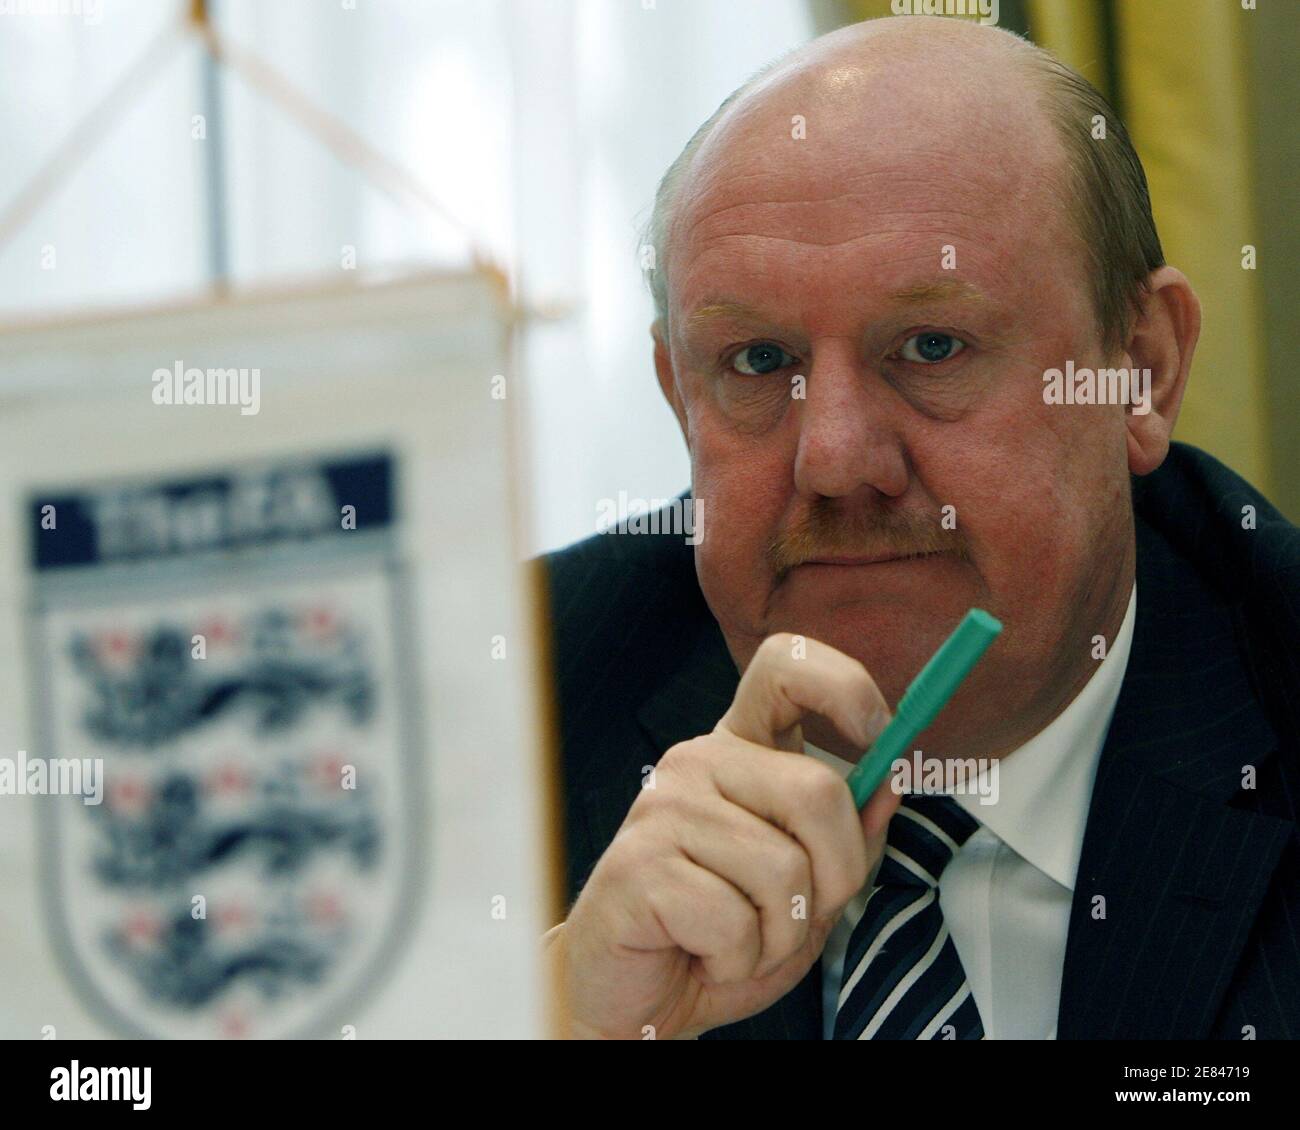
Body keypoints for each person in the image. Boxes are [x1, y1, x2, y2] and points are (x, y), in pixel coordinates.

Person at [535, 15, 1300, 1040]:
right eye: (757, 362)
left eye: (931, 345)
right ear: (681, 397)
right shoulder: (510, 703)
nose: (837, 461)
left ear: (1138, 369)